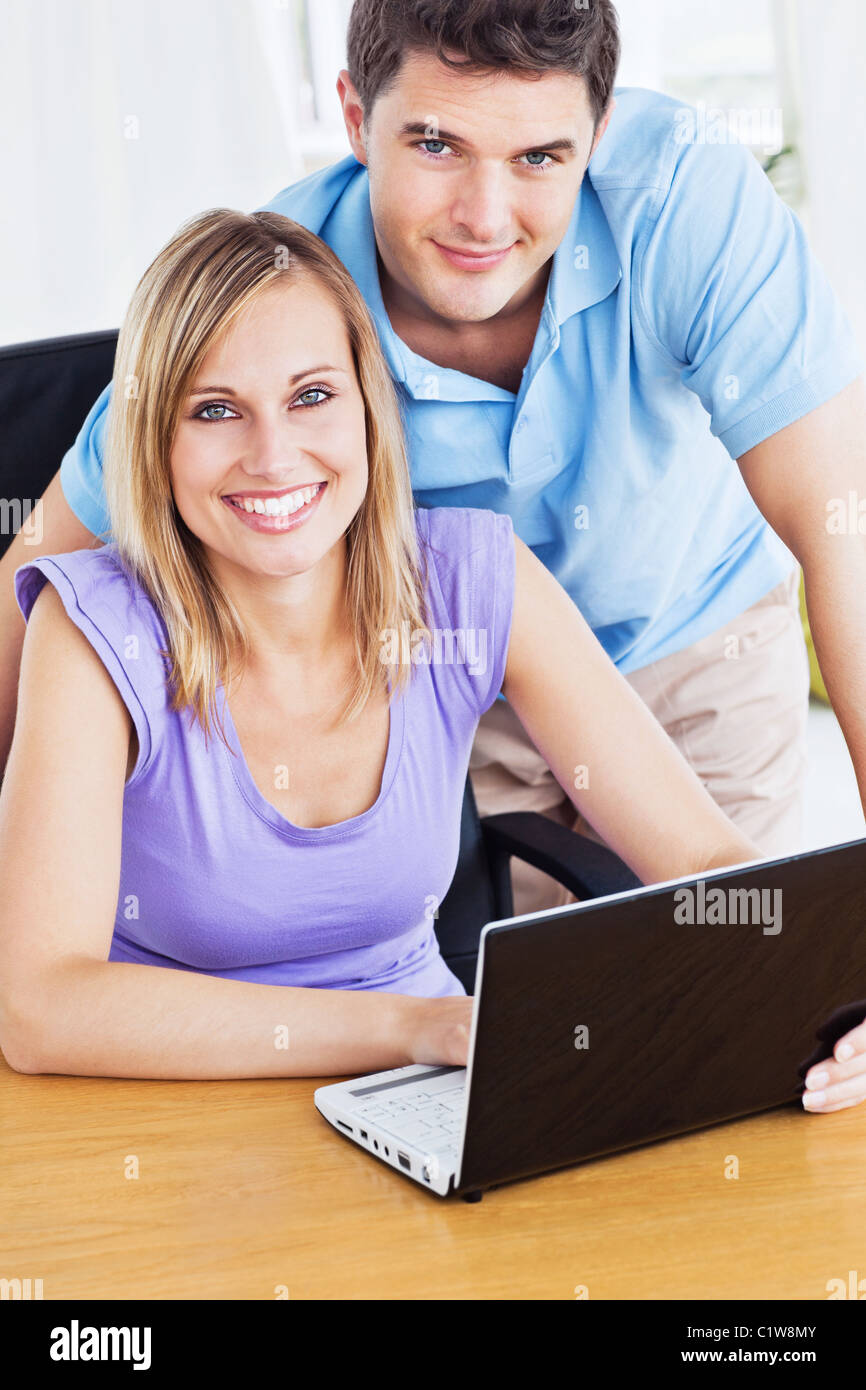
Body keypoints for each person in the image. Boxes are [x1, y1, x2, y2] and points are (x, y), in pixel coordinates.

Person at [2, 3, 865, 920]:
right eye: (436, 144)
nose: (484, 220)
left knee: (728, 989)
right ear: (354, 119)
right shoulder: (275, 300)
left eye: (539, 157)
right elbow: (43, 561)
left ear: (599, 135)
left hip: (700, 639)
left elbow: (843, 532)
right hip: (463, 680)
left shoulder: (683, 199)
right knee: (539, 1020)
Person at [0, 207, 775, 1081]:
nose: (274, 454)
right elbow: (42, 1008)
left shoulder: (471, 579)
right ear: (153, 442)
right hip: (168, 1095)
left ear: (369, 408)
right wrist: (408, 1029)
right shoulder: (93, 631)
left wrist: (821, 982)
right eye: (215, 410)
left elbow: (708, 858)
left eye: (312, 396)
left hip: (437, 1089)